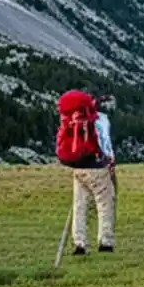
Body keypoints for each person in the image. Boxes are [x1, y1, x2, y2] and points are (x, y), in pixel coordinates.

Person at [56, 90, 117, 255]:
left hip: (77, 166)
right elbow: (103, 141)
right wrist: (110, 160)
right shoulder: (96, 121)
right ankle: (106, 242)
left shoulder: (72, 119)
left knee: (79, 205)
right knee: (105, 203)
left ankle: (80, 243)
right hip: (96, 167)